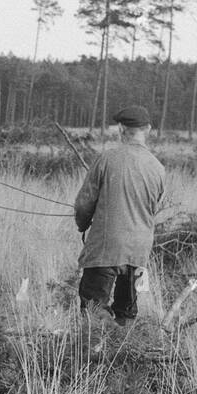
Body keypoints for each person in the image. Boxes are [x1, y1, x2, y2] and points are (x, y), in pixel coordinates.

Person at [73, 105, 166, 328]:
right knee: (126, 314)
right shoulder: (158, 168)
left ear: (121, 129)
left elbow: (84, 205)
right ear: (149, 130)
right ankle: (123, 354)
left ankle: (95, 356)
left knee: (94, 312)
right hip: (139, 253)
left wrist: (83, 224)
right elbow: (153, 209)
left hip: (106, 249)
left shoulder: (107, 158)